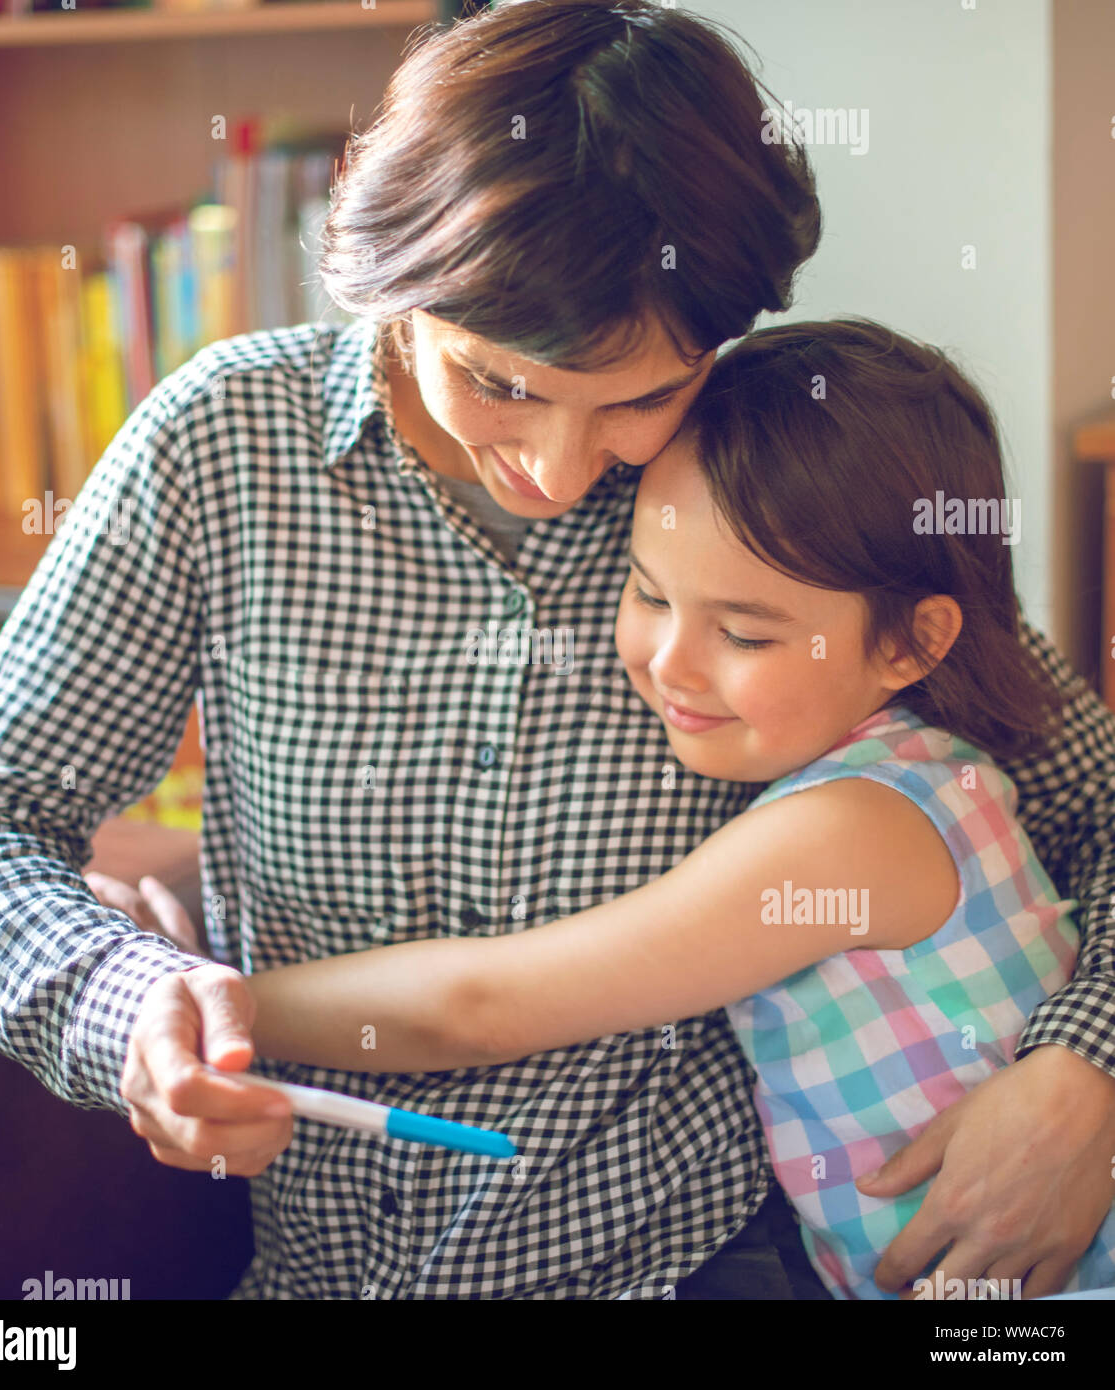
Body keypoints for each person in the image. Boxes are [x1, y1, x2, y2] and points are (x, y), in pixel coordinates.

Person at [0, 0, 1114, 1300]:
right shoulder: (222, 446)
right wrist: (130, 1002)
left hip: (703, 1263)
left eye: (635, 398)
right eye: (499, 383)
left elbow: (1087, 803)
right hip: (331, 1271)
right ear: (390, 291)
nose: (556, 469)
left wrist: (1081, 1072)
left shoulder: (758, 485)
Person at [211, 318, 1115, 1299]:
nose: (668, 663)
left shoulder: (844, 835)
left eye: (740, 633)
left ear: (908, 645)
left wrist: (212, 1000)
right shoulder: (923, 773)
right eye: (646, 592)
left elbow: (476, 1009)